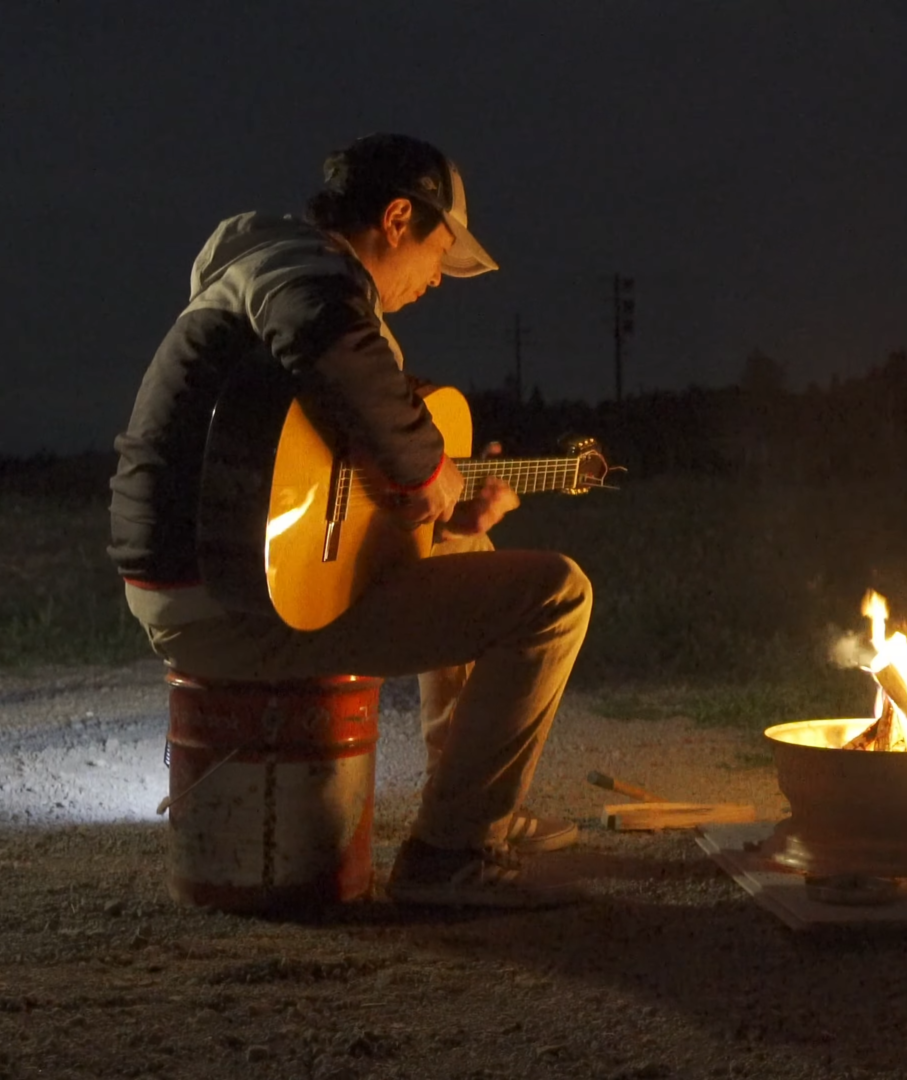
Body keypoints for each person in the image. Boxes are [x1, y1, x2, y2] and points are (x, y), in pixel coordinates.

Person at [108, 133, 592, 907]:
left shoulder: (263, 274)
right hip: (229, 600)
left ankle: (470, 804)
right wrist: (428, 468)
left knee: (472, 539)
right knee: (556, 596)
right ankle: (451, 857)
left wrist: (441, 509)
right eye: (441, 252)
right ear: (398, 218)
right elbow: (323, 339)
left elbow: (305, 476)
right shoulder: (303, 273)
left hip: (213, 583)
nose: (439, 279)